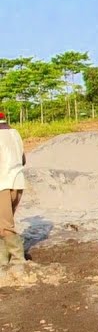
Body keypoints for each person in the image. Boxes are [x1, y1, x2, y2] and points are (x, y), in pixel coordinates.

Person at [0, 111, 25, 268]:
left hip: (2, 184)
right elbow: (23, 159)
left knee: (6, 225)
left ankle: (18, 260)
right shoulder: (15, 133)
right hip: (17, 182)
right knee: (3, 223)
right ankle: (3, 260)